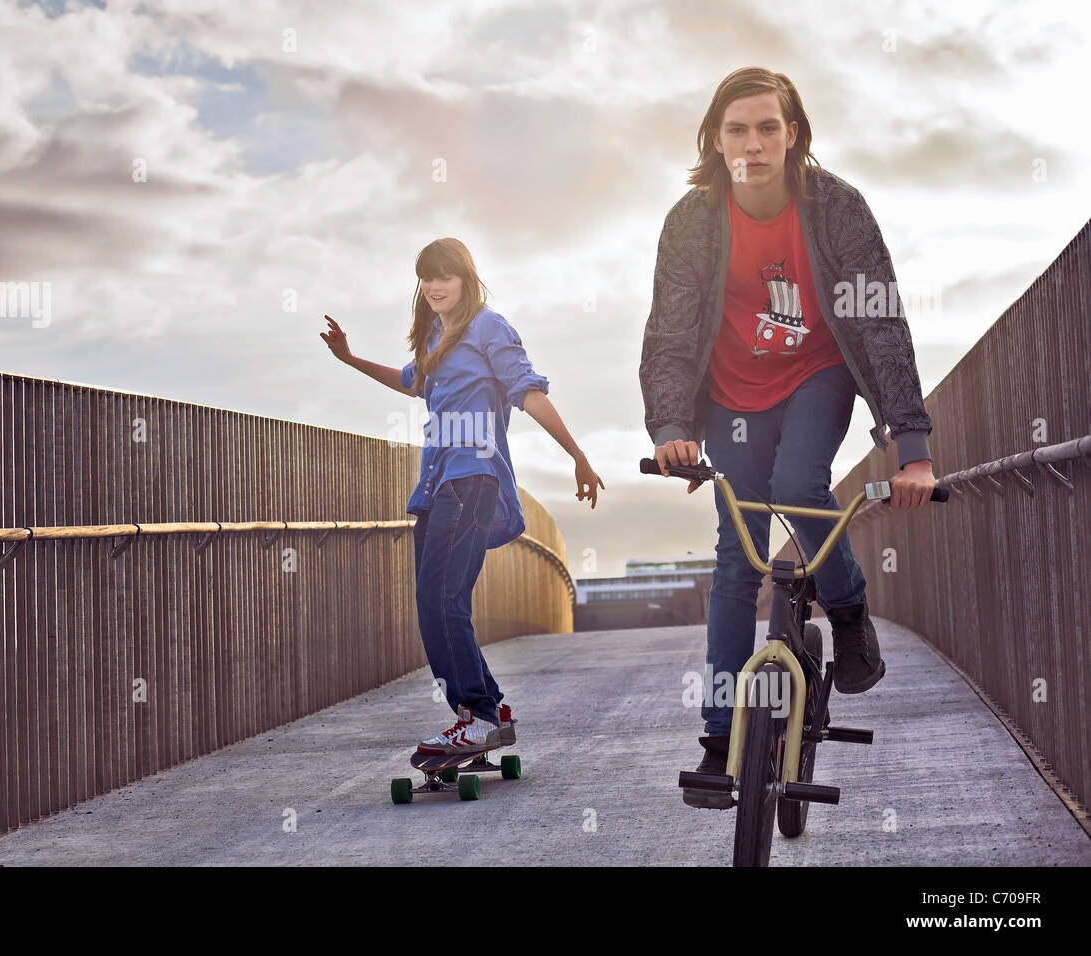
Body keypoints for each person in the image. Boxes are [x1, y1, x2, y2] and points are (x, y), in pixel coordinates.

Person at [638, 67, 940, 808]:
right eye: (737, 129)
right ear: (715, 139)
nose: (753, 142)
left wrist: (913, 446)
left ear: (793, 133)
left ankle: (847, 613)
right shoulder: (691, 221)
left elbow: (879, 323)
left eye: (768, 127)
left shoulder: (836, 207)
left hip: (818, 373)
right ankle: (719, 740)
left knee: (801, 488)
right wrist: (673, 428)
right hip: (732, 396)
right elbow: (671, 331)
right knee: (737, 554)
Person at [322, 237, 604, 755]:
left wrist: (577, 455)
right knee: (432, 603)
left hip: (472, 480)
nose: (433, 286)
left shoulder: (489, 328)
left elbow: (529, 391)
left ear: (466, 279)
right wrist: (349, 359)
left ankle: (477, 714)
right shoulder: (434, 335)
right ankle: (485, 709)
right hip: (434, 485)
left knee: (449, 599)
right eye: (426, 277)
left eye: (444, 276)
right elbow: (412, 382)